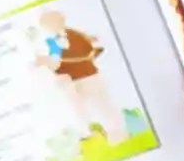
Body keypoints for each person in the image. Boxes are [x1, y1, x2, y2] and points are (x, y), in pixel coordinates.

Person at [32, 10, 129, 145]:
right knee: (78, 109)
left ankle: (116, 132)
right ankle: (86, 135)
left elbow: (84, 54)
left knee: (101, 104)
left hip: (88, 76)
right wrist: (47, 64)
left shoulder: (74, 35)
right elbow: (55, 62)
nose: (49, 27)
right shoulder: (51, 41)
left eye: (50, 23)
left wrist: (50, 60)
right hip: (69, 81)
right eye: (46, 25)